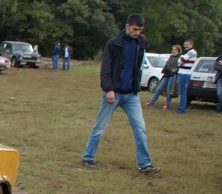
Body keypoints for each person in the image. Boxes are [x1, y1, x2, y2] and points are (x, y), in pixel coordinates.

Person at [81, 13, 159, 174]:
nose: (137, 33)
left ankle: (145, 164)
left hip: (131, 95)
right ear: (128, 26)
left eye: (140, 30)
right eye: (135, 29)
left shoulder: (140, 45)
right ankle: (88, 157)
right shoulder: (114, 44)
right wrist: (109, 89)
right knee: (100, 127)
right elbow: (106, 69)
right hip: (113, 93)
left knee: (140, 128)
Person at [175, 38, 197, 113]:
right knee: (182, 92)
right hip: (182, 73)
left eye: (187, 45)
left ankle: (181, 109)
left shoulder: (191, 52)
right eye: (184, 45)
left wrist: (180, 60)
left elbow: (181, 61)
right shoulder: (188, 52)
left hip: (185, 73)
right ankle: (181, 108)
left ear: (191, 44)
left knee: (183, 92)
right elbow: (180, 61)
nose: (185, 46)